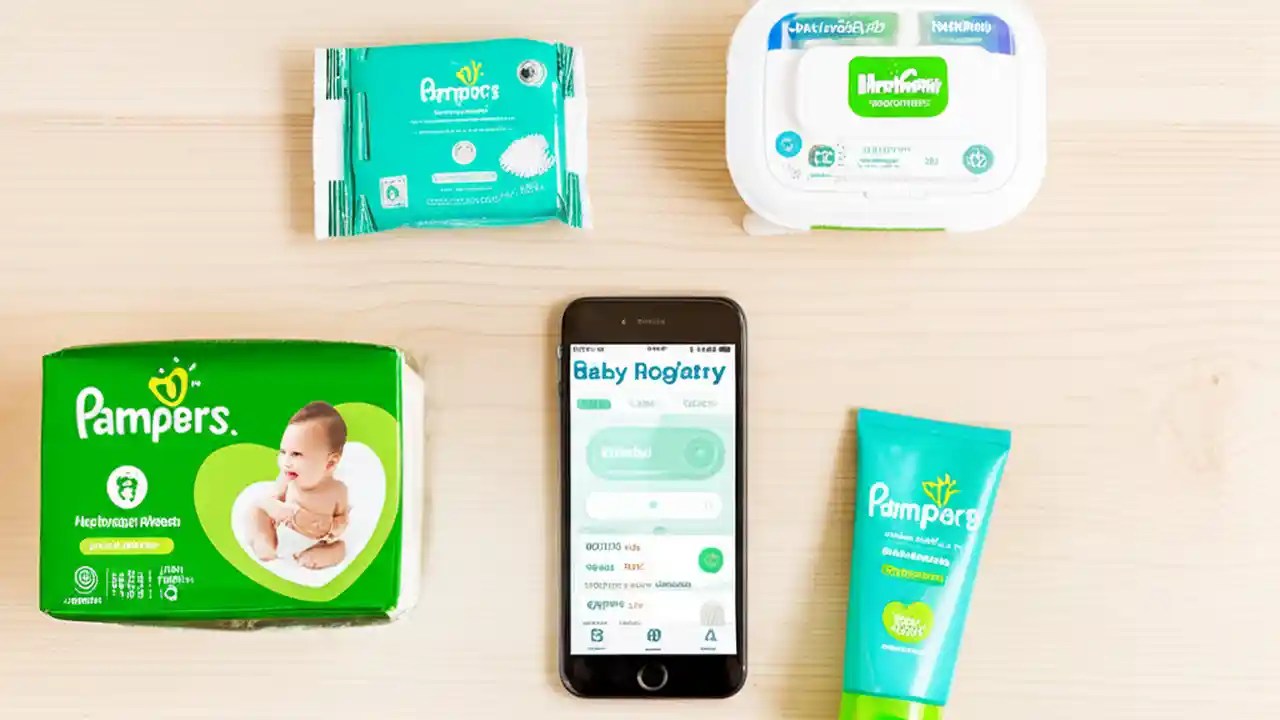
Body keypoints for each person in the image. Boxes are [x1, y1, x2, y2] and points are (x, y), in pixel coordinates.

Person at [249, 402, 350, 569]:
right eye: (283, 452)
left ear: (330, 463)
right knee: (256, 510)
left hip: (317, 537)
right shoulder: (287, 479)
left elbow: (342, 519)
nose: (286, 462)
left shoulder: (338, 490)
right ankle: (265, 541)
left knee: (340, 549)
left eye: (296, 454)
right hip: (286, 527)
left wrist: (332, 531)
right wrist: (275, 509)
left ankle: (316, 555)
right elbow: (274, 498)